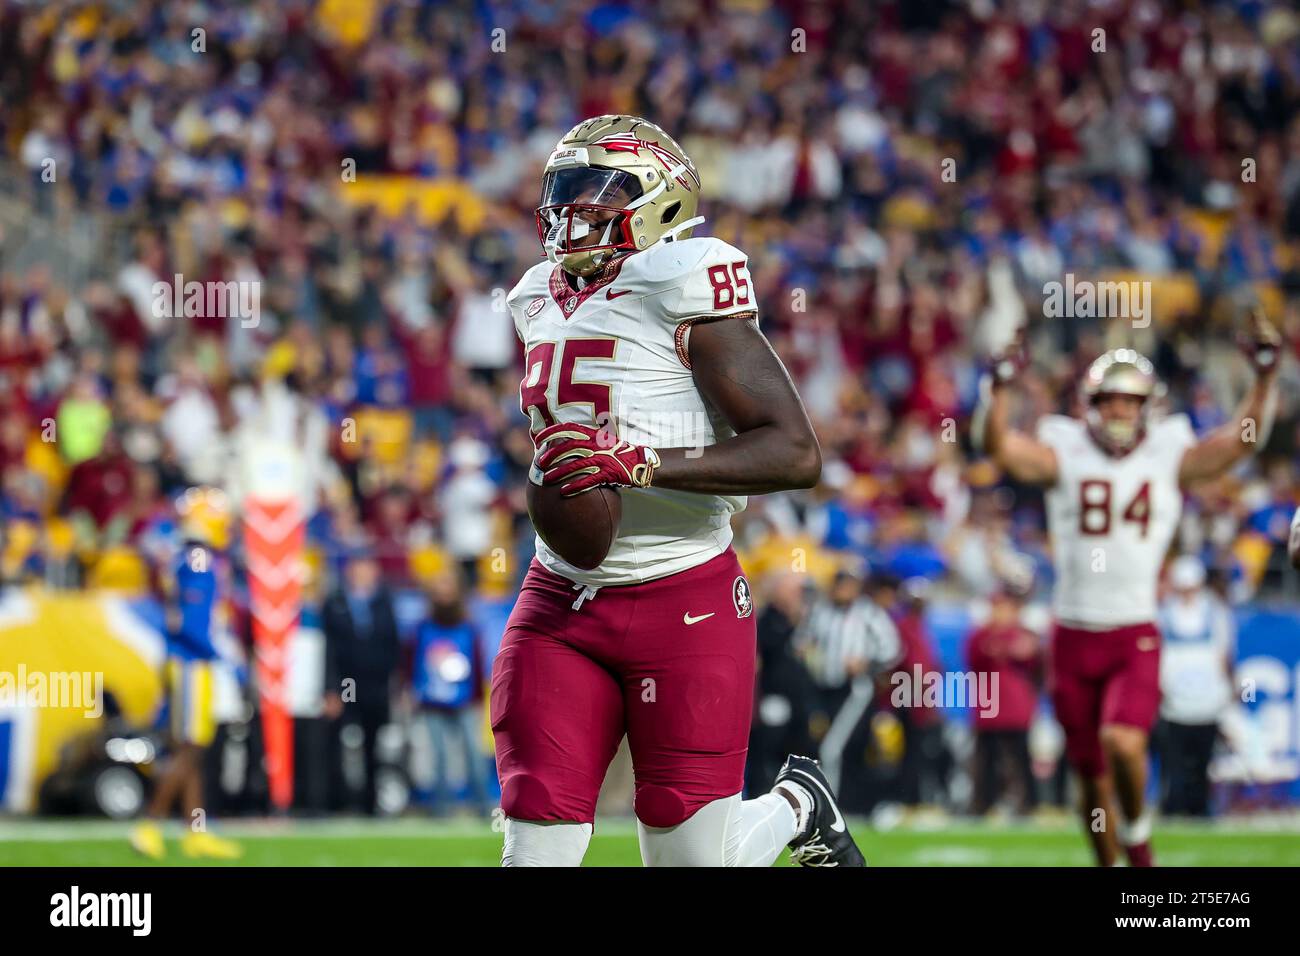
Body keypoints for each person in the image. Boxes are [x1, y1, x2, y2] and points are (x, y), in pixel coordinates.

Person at [494, 115, 861, 867]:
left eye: (597, 193)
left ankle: (797, 804)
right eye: (564, 191)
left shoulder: (683, 277)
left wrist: (642, 461)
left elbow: (794, 452)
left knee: (696, 861)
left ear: (657, 199)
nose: (574, 210)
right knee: (535, 852)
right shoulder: (534, 296)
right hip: (560, 598)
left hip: (683, 597)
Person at [981, 314, 1281, 866]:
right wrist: (995, 389)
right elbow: (999, 447)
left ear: (1147, 406)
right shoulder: (1063, 450)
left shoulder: (1167, 453)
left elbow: (1239, 444)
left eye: (1130, 401)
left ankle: (1140, 849)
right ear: (1091, 404)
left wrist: (1263, 381)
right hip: (1072, 634)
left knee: (1124, 743)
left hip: (1133, 630)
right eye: (1110, 400)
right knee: (1091, 786)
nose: (1120, 411)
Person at [130, 487, 243, 860]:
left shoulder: (190, 556)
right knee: (191, 748)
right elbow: (192, 622)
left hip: (189, 661)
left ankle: (194, 831)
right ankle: (150, 823)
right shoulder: (199, 559)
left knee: (190, 750)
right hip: (193, 662)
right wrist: (225, 659)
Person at [796, 565, 902, 812]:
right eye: (840, 583)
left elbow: (892, 648)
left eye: (848, 584)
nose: (843, 589)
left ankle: (828, 809)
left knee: (832, 749)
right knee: (833, 748)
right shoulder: (820, 612)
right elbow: (801, 641)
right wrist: (808, 656)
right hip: (822, 690)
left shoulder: (869, 614)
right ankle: (848, 805)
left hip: (855, 689)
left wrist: (867, 662)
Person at [322, 550, 401, 816]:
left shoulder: (384, 602)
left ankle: (369, 803)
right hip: (347, 683)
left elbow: (392, 645)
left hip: (375, 685)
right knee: (340, 740)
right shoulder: (335, 602)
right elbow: (330, 649)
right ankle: (339, 799)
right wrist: (332, 688)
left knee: (373, 745)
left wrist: (392, 683)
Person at [1155, 556, 1235, 817]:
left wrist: (1227, 692)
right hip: (1174, 703)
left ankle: (1199, 810)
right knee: (1174, 762)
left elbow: (1224, 656)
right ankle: (1173, 808)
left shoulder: (1216, 612)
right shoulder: (1164, 613)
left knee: (1202, 762)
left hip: (1207, 702)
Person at [412, 568, 490, 815]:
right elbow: (411, 661)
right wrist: (412, 691)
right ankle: (442, 809)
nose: (444, 592)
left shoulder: (469, 626)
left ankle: (481, 805)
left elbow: (477, 663)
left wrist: (478, 698)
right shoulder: (422, 627)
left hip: (465, 701)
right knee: (439, 757)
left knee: (474, 754)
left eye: (448, 586)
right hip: (432, 701)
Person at [965, 580, 1043, 816]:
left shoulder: (1026, 635)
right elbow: (976, 659)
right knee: (986, 761)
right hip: (989, 708)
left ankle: (1029, 805)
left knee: (1021, 759)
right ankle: (984, 805)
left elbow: (1037, 667)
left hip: (1017, 709)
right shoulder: (980, 635)